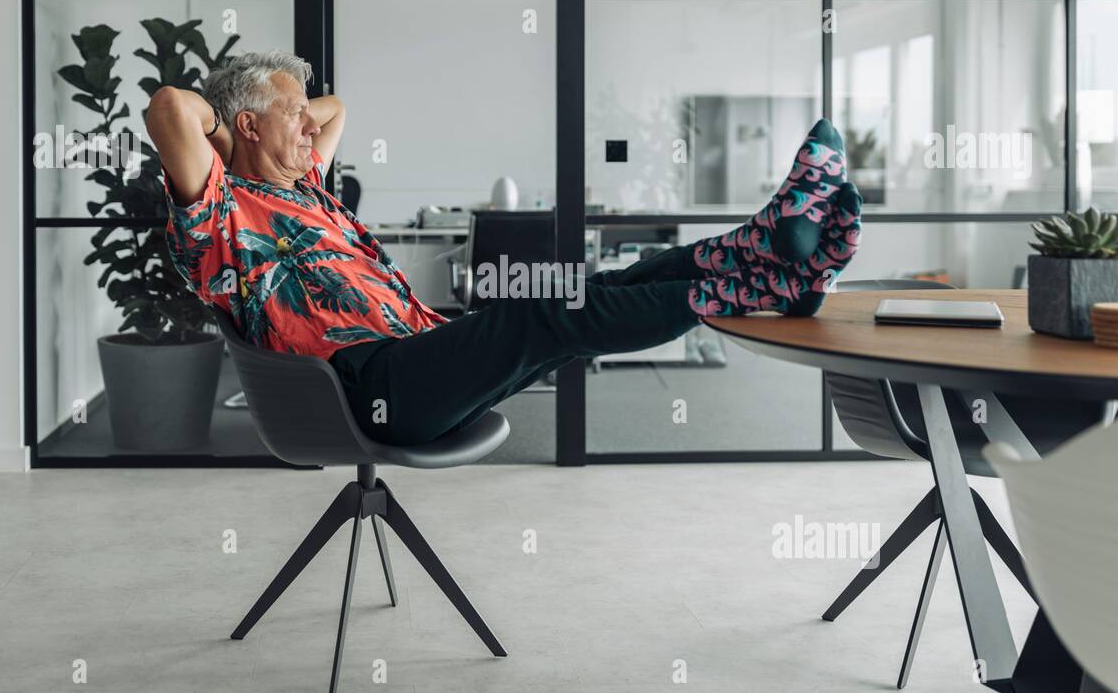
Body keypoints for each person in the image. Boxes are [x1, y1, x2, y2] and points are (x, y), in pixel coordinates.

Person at [147, 51, 862, 447]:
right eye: (293, 116)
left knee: (595, 285)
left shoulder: (309, 188)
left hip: (422, 355)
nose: (312, 125)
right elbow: (171, 109)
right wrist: (226, 131)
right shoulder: (220, 216)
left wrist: (277, 115)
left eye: (308, 116)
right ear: (243, 125)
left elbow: (337, 110)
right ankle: (767, 286)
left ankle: (764, 251)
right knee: (534, 313)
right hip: (367, 390)